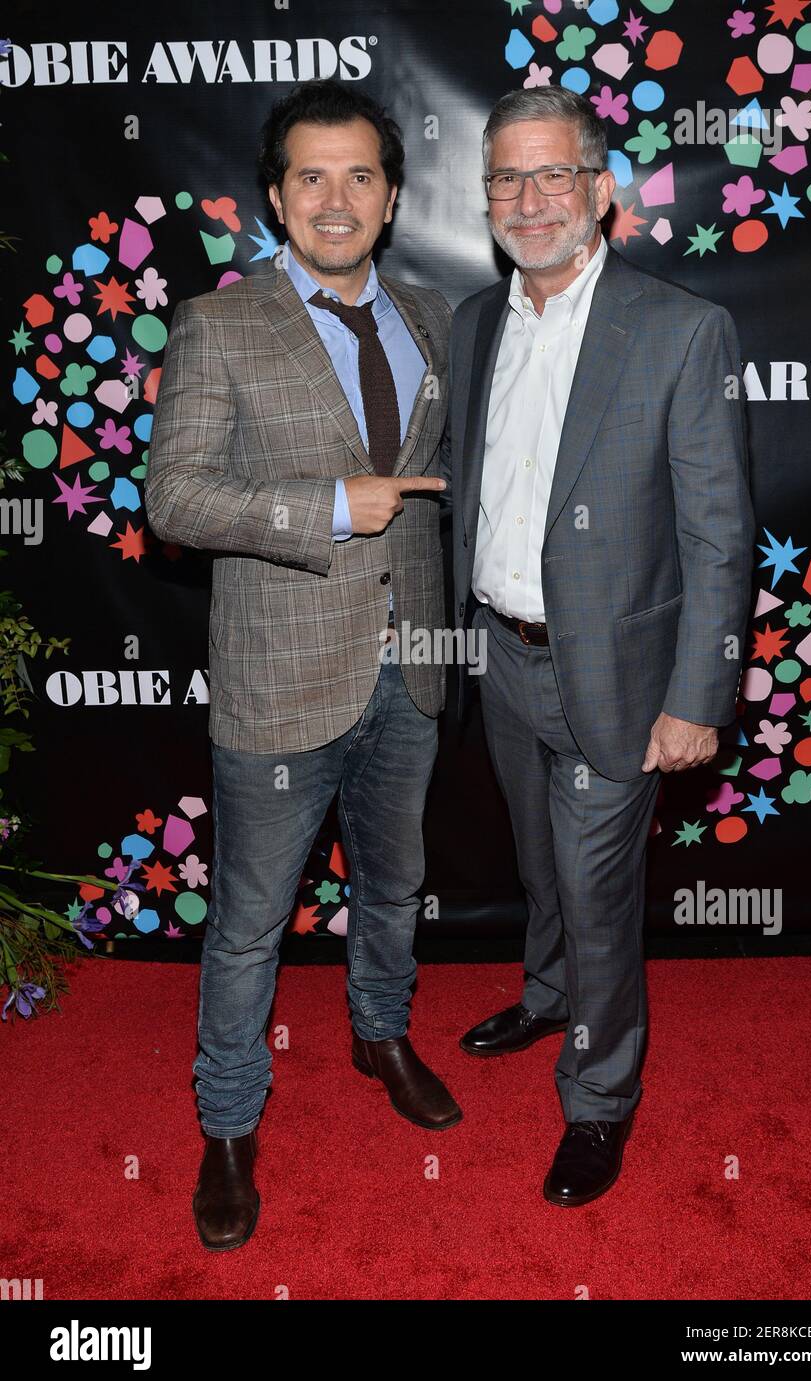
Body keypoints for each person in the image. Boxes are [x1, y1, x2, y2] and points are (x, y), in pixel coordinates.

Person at [145, 79, 458, 1254]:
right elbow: (172, 500)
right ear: (275, 197)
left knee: (390, 885)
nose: (337, 198)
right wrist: (326, 504)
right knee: (247, 925)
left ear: (390, 195)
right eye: (311, 177)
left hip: (412, 667)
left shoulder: (430, 316)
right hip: (280, 678)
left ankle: (380, 1030)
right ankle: (227, 1123)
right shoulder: (217, 324)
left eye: (361, 175)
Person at [441, 88, 756, 1207]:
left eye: (551, 176)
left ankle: (598, 1099)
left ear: (600, 191)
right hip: (500, 655)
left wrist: (695, 695)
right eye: (503, 180)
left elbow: (720, 536)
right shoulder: (475, 324)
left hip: (621, 675)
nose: (527, 202)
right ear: (482, 197)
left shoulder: (678, 331)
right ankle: (543, 992)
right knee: (539, 865)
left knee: (594, 884)